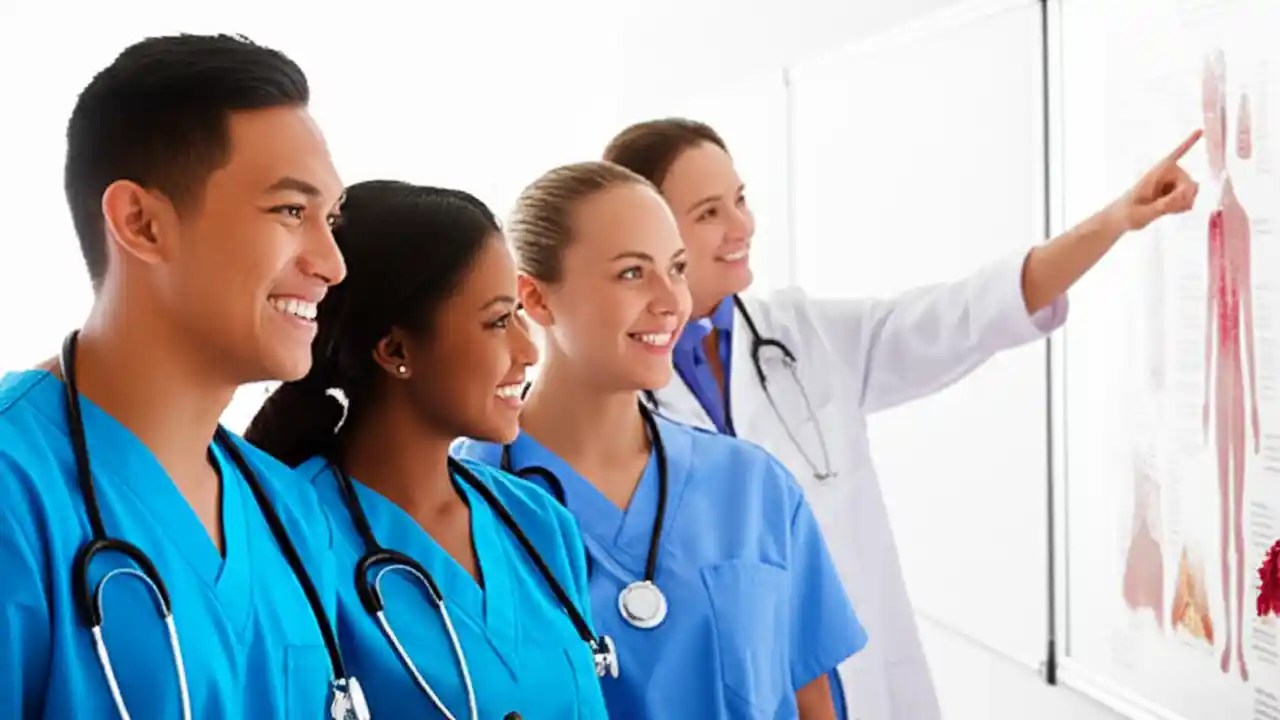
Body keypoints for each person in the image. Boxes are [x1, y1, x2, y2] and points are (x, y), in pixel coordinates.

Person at [602, 117, 1204, 718]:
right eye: (709, 213)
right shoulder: (611, 394)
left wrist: (1117, 219)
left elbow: (972, 312)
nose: (743, 226)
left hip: (860, 686)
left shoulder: (806, 337)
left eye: (740, 200)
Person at [0, 34, 360, 719]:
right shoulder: (15, 493)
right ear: (141, 223)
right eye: (291, 211)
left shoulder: (287, 512)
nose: (332, 263)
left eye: (331, 218)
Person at [453, 161, 865, 719]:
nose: (672, 301)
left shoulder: (753, 486)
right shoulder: (461, 502)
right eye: (631, 273)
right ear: (537, 298)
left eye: (677, 268)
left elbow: (813, 700)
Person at [244, 180, 612, 719]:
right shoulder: (291, 538)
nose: (528, 350)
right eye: (497, 321)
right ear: (396, 349)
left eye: (519, 315)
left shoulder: (535, 521)